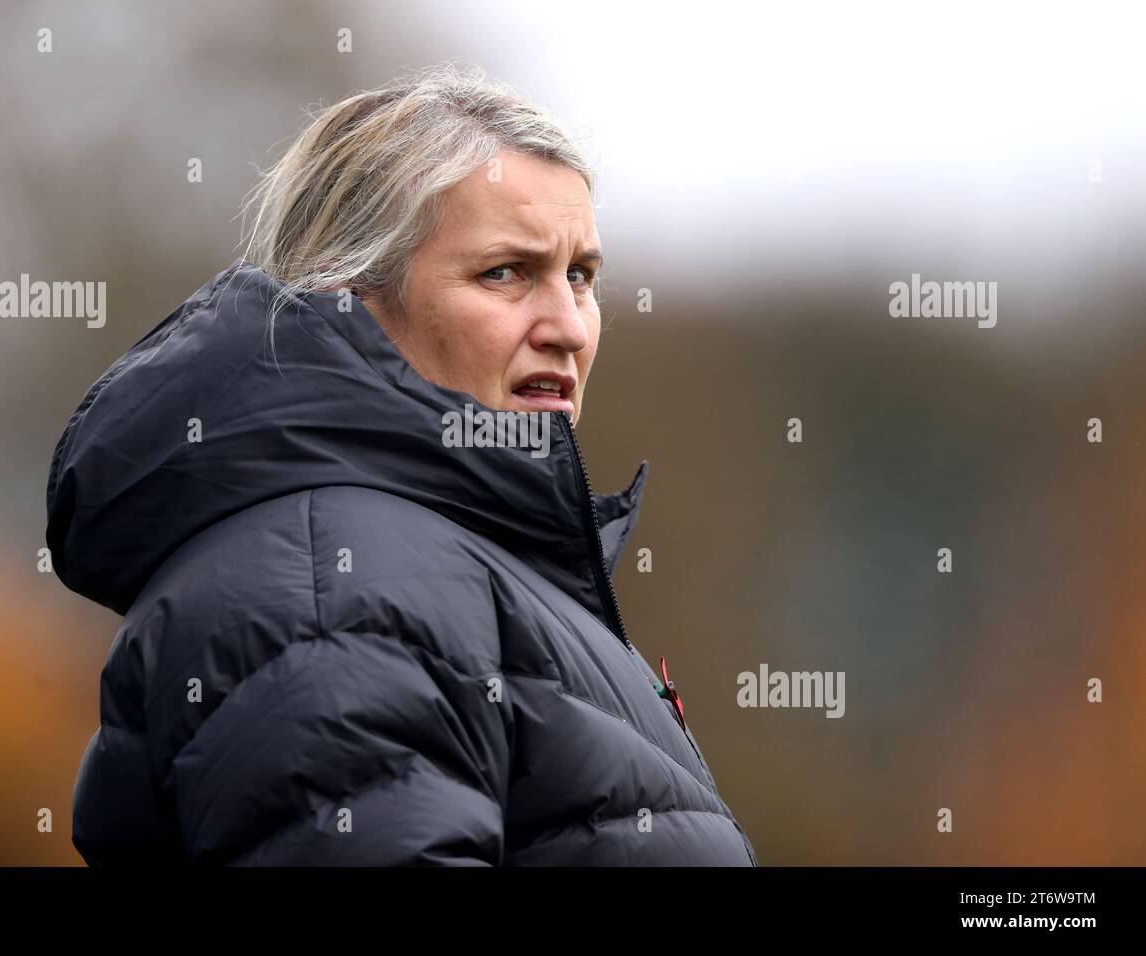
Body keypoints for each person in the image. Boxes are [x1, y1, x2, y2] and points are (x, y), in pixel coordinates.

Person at [46, 62, 757, 866]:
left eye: (580, 277)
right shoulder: (331, 593)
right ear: (347, 300)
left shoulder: (432, 568)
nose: (568, 326)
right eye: (505, 273)